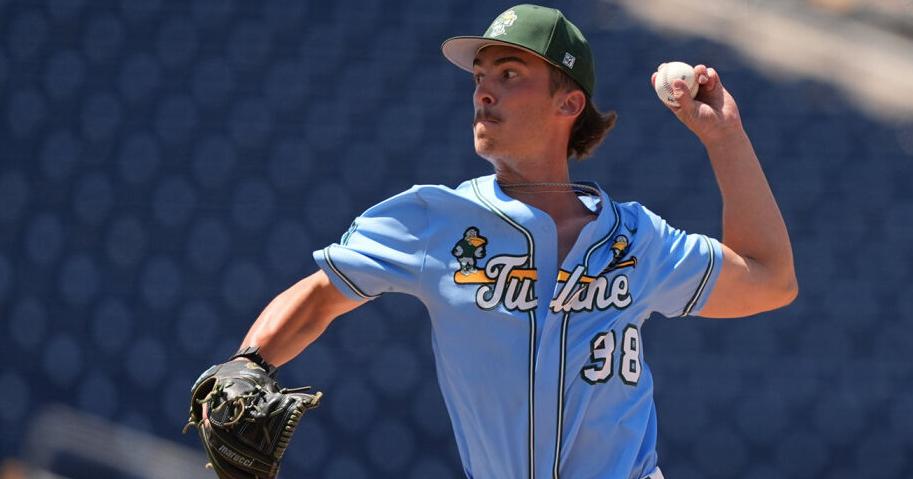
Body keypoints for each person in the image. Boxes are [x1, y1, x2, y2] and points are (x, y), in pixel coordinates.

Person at [221, 5, 797, 478]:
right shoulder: (437, 219)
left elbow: (770, 279)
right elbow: (324, 292)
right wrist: (249, 364)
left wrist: (724, 137)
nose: (484, 93)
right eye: (480, 77)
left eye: (510, 75)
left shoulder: (639, 239)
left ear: (568, 104)